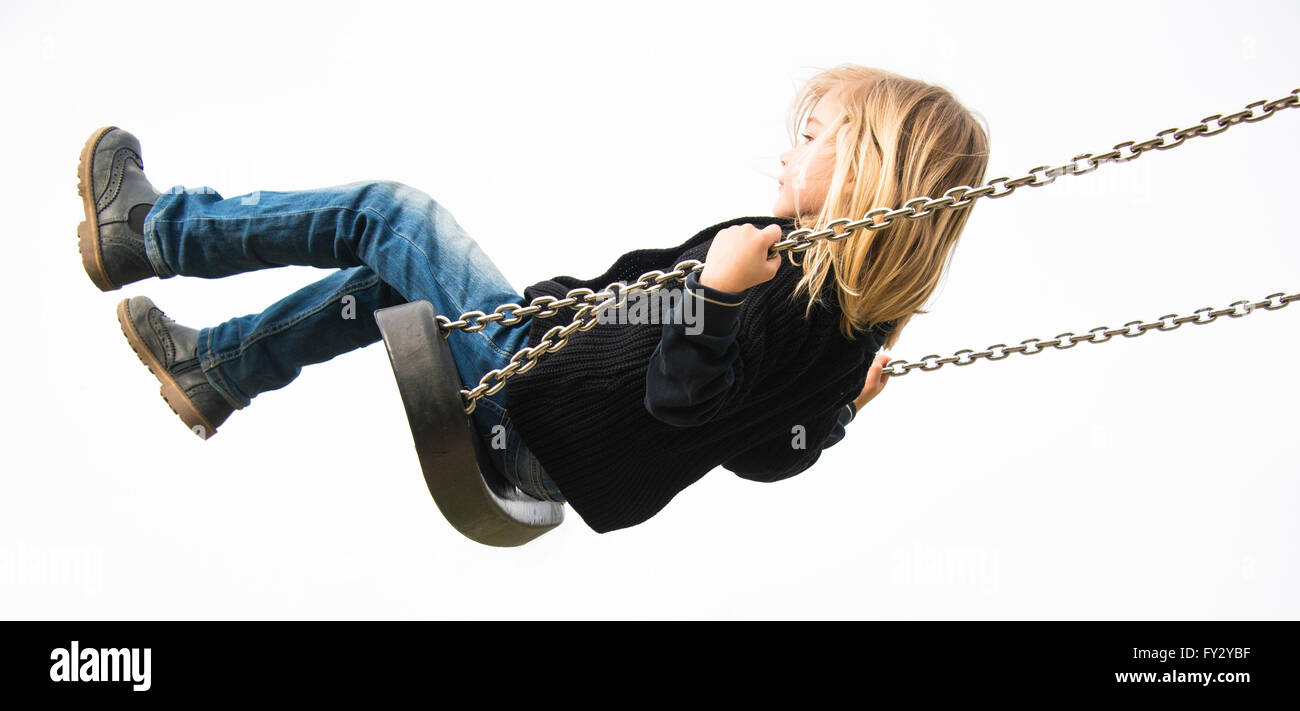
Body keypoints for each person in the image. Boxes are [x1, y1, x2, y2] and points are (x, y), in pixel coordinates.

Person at [76, 63, 989, 535]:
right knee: (393, 280)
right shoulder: (829, 317)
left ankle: (154, 233)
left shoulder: (783, 290)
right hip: (552, 435)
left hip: (539, 406)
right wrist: (831, 419)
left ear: (869, 166)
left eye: (813, 134)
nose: (787, 150)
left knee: (389, 215)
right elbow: (755, 457)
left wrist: (713, 298)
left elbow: (682, 401)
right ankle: (219, 368)